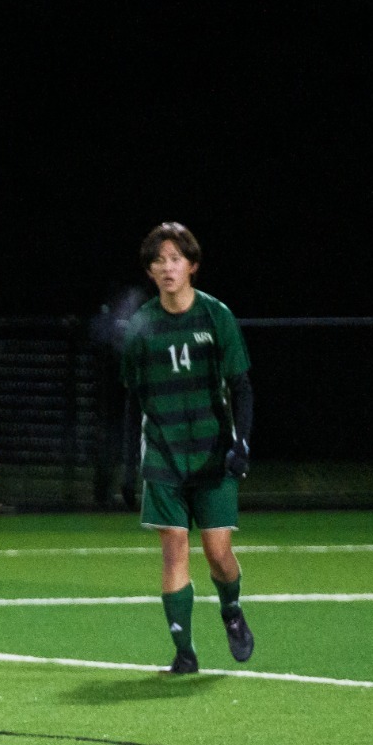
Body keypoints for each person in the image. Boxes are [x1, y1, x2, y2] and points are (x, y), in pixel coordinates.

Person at [118, 223, 255, 674]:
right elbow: (132, 397)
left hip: (212, 453)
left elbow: (241, 386)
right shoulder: (141, 326)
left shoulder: (216, 316)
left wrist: (242, 444)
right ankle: (184, 652)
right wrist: (127, 464)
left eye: (175, 259)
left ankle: (231, 609)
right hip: (163, 455)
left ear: (192, 265)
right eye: (159, 260)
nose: (167, 267)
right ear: (150, 271)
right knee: (174, 549)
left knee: (218, 554)